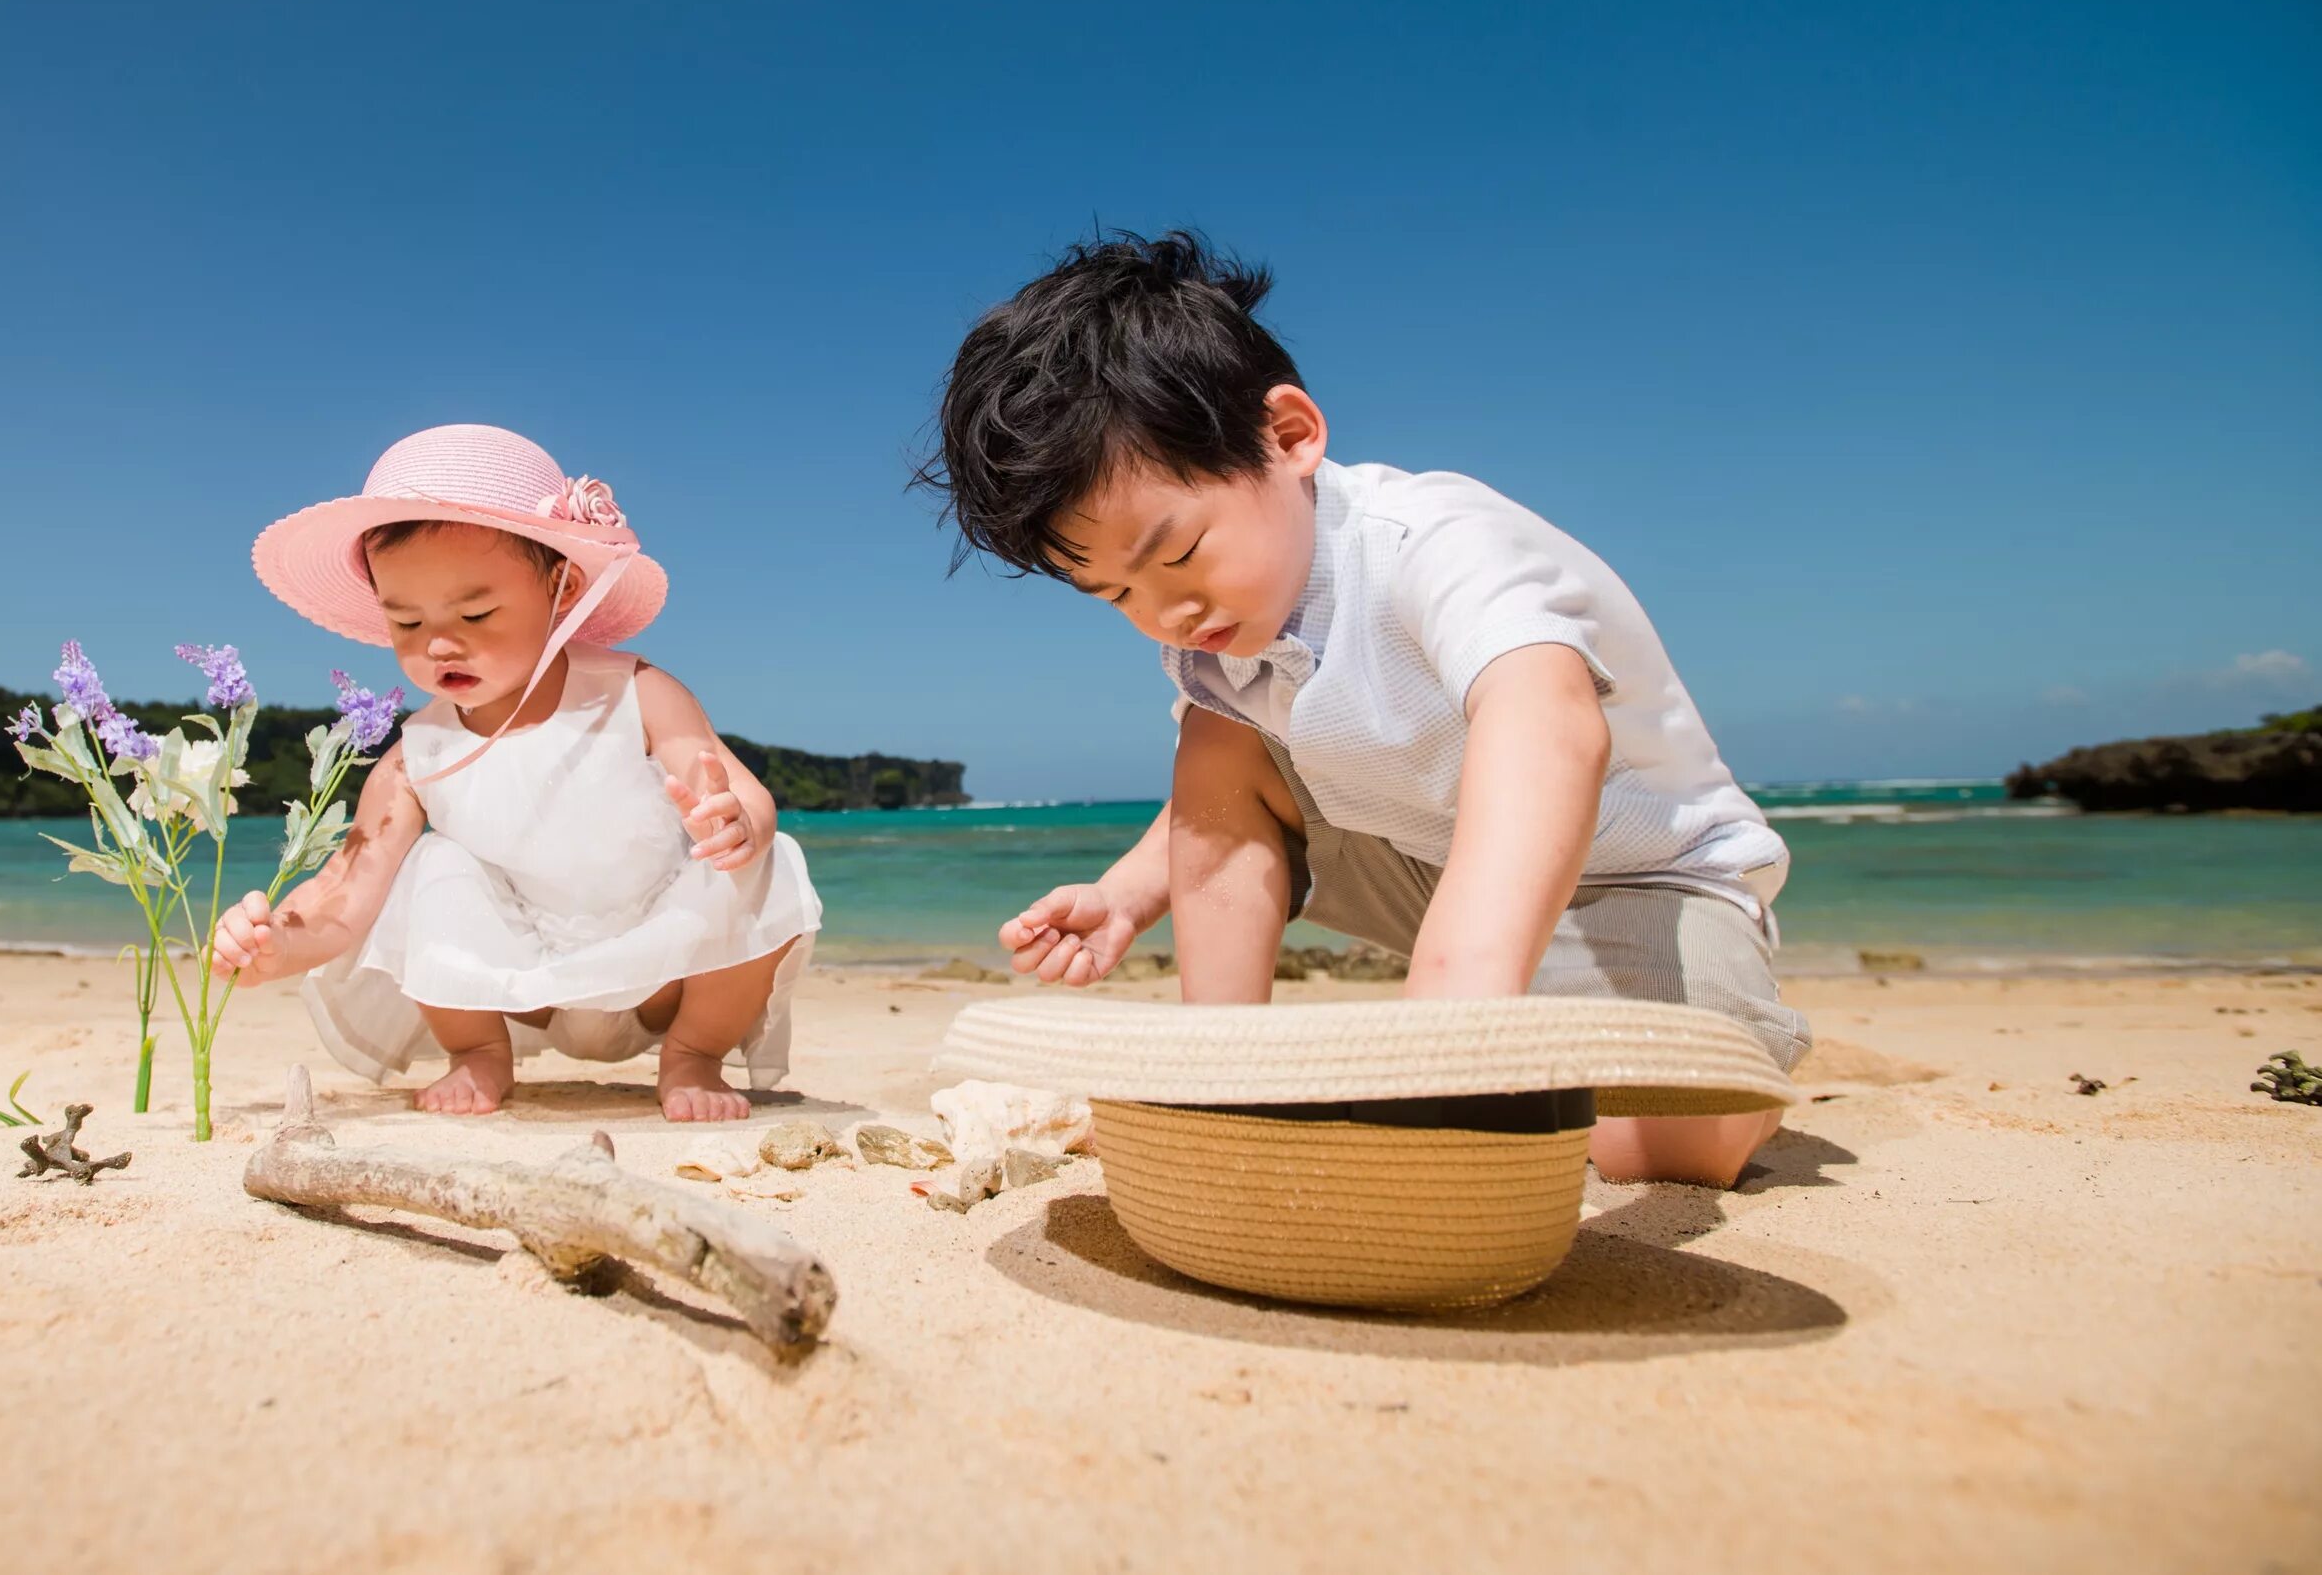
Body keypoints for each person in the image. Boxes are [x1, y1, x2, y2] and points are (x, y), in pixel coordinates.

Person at [918, 232, 1808, 1186]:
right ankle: (1228, 1068)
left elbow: (1551, 726)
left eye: (1176, 556)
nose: (1164, 611)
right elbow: (1229, 798)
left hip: (1652, 882)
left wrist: (1449, 1010)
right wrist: (1129, 894)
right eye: (1116, 597)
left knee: (1681, 1147)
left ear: (1291, 436)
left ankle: (1527, 1025)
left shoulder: (1435, 541)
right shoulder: (1218, 633)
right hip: (1436, 869)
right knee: (1221, 736)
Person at [210, 423, 822, 1122]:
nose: (439, 641)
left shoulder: (635, 691)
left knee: (764, 863)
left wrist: (736, 819)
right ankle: (477, 1052)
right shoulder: (419, 753)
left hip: (669, 973)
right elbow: (347, 890)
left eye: (476, 611)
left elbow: (730, 783)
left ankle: (693, 1055)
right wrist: (277, 940)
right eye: (405, 623)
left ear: (562, 588)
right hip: (528, 987)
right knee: (427, 865)